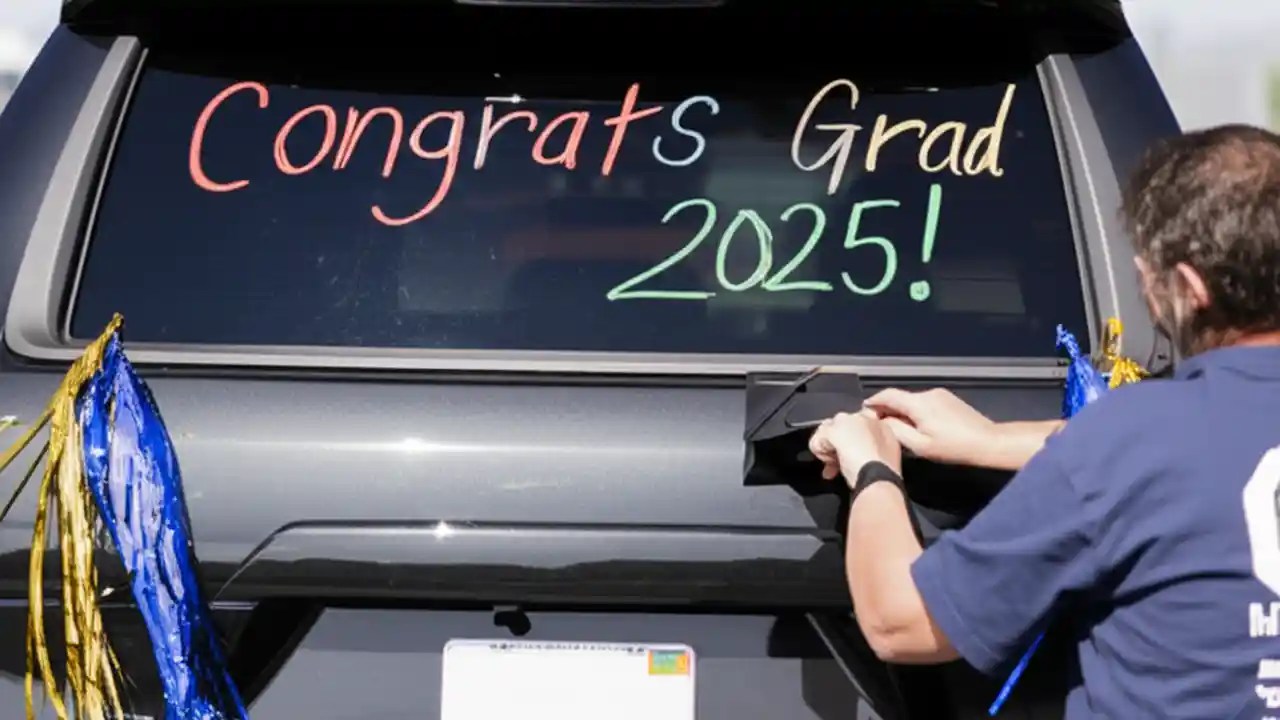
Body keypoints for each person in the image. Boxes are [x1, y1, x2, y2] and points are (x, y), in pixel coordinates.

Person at [809, 123, 1280, 719]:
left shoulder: (1132, 440)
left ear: (1190, 290)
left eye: (1148, 280)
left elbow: (898, 622)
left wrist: (873, 467)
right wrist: (990, 441)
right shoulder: (1135, 441)